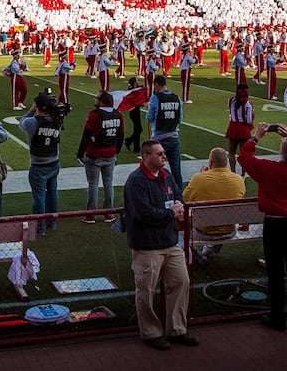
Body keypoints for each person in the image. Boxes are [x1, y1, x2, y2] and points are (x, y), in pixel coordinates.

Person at [121, 140, 198, 351]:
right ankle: (151, 333)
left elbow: (178, 195)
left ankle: (177, 329)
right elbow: (143, 213)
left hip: (170, 242)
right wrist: (170, 213)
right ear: (146, 157)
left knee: (181, 281)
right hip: (147, 246)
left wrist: (179, 205)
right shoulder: (136, 181)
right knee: (146, 290)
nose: (164, 156)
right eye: (159, 153)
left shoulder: (166, 175)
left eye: (163, 152)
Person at [238, 122, 287, 331]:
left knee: (276, 273)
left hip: (274, 224)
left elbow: (244, 158)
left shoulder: (270, 170)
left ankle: (277, 318)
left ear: (282, 152)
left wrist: (255, 137)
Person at [182, 147, 245, 264]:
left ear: (210, 162)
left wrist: (201, 176)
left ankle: (194, 253)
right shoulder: (238, 180)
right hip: (229, 230)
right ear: (226, 163)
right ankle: (206, 251)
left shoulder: (198, 178)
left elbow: (185, 201)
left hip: (203, 231)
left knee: (180, 219)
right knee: (224, 215)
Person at [19, 90, 64, 235]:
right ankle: (52, 222)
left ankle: (40, 227)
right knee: (52, 194)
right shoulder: (57, 120)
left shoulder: (32, 122)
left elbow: (21, 123)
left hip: (39, 165)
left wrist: (31, 110)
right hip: (54, 162)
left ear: (37, 106)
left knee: (39, 197)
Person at [77, 90, 124, 224]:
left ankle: (91, 215)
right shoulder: (118, 114)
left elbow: (86, 135)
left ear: (102, 101)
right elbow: (120, 136)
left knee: (93, 184)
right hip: (110, 153)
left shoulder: (94, 115)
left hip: (95, 154)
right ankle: (108, 214)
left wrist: (80, 153)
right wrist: (116, 151)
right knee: (108, 183)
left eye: (97, 98)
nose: (95, 99)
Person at [146, 74, 185, 190]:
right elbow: (180, 118)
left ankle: (158, 192)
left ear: (157, 85)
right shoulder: (176, 98)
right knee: (176, 169)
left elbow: (149, 118)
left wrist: (149, 107)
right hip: (173, 136)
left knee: (154, 168)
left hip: (159, 138)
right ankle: (179, 193)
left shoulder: (155, 98)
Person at [224, 81, 254, 174]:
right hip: (243, 129)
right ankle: (243, 175)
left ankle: (233, 173)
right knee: (244, 154)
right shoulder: (248, 104)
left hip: (232, 127)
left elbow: (231, 114)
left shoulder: (230, 101)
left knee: (231, 152)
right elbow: (249, 120)